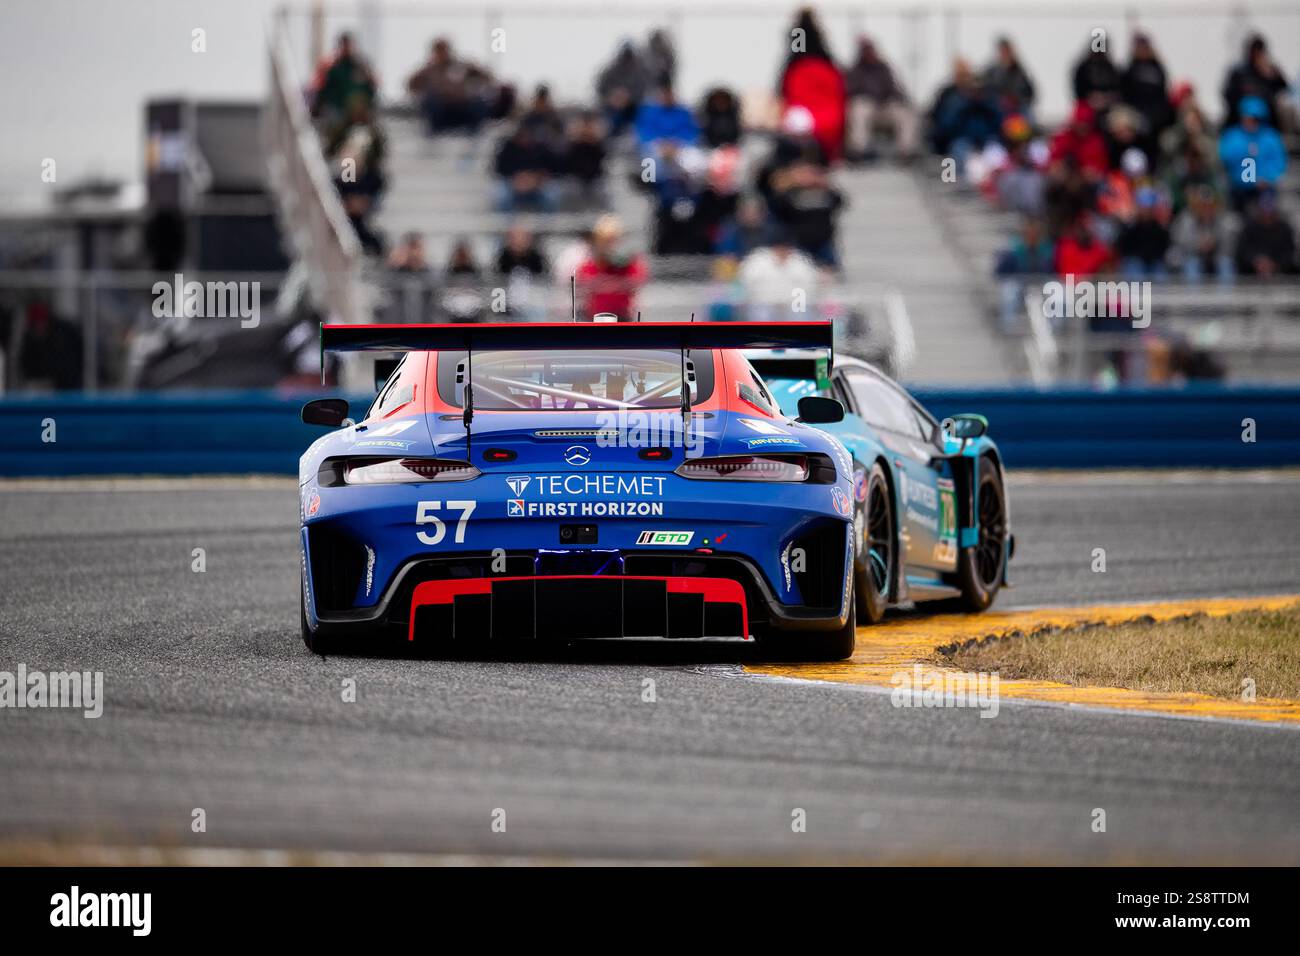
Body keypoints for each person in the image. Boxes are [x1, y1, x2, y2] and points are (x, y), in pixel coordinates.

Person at [778, 8, 846, 162]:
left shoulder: (798, 34)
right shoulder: (816, 34)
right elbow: (825, 52)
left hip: (805, 70)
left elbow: (794, 53)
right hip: (814, 70)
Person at [844, 37, 919, 161]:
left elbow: (895, 90)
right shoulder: (855, 71)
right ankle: (858, 149)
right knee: (859, 107)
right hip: (867, 108)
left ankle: (907, 151)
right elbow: (850, 91)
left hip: (884, 107)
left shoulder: (884, 69)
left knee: (906, 114)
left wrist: (898, 99)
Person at [406, 38, 493, 135]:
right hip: (442, 110)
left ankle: (476, 133)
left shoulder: (463, 66)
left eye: (444, 50)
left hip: (463, 106)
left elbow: (487, 77)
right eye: (438, 51)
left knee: (479, 103)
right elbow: (411, 85)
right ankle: (434, 134)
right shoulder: (428, 71)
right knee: (430, 101)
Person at [928, 59, 1002, 172]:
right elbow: (945, 126)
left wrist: (984, 104)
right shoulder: (952, 99)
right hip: (962, 141)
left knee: (996, 155)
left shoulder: (990, 100)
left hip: (987, 142)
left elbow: (999, 123)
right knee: (958, 153)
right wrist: (965, 106)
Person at [768, 159, 845, 267]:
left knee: (829, 268)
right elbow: (779, 209)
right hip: (799, 240)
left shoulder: (823, 192)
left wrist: (826, 185)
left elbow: (839, 202)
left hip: (823, 239)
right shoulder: (792, 194)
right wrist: (787, 186)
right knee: (803, 268)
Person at [1218, 96, 1288, 209]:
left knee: (1268, 203)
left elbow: (1279, 161)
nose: (1251, 122)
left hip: (1266, 188)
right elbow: (1227, 160)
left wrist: (1266, 178)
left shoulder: (1270, 137)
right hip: (1239, 188)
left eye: (1256, 119)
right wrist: (1249, 180)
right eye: (1248, 118)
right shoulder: (1232, 136)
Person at [575, 216, 648, 321]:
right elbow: (583, 281)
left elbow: (636, 281)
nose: (610, 245)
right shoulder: (591, 262)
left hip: (623, 317)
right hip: (595, 317)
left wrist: (606, 283)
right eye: (605, 241)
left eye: (613, 240)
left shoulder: (631, 261)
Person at [738, 229, 819, 320]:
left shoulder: (800, 260)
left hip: (792, 305)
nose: (782, 251)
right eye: (779, 248)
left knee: (801, 312)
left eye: (786, 248)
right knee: (761, 314)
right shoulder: (757, 259)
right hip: (764, 303)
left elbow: (810, 284)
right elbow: (746, 282)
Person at [994, 217, 1056, 330]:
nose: (1032, 235)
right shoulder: (1013, 249)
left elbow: (1052, 270)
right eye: (1029, 232)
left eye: (1036, 233)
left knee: (1057, 293)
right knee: (1009, 292)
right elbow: (1000, 272)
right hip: (1019, 284)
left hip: (1042, 284)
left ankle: (1055, 331)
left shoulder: (1048, 250)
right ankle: (1008, 328)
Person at [312, 33, 377, 134]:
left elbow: (371, 88)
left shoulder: (361, 67)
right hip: (338, 112)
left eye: (349, 45)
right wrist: (317, 108)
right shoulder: (334, 68)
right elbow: (324, 90)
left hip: (357, 115)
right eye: (344, 45)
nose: (347, 48)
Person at [1222, 34, 1291, 129]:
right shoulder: (1239, 72)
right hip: (1241, 115)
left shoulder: (1270, 70)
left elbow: (1284, 89)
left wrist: (1272, 76)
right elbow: (1228, 94)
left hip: (1267, 116)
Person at [1169, 186, 1236, 282]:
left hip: (1216, 257)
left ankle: (1226, 296)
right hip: (1193, 256)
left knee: (1225, 264)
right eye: (1203, 205)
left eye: (1209, 205)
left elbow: (1229, 247)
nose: (1206, 208)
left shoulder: (1224, 220)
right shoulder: (1186, 220)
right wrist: (1198, 245)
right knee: (1192, 265)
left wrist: (1215, 243)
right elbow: (1180, 244)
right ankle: (1193, 296)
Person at [493, 125, 560, 212]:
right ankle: (507, 224)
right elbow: (499, 169)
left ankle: (546, 224)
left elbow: (551, 169)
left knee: (551, 195)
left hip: (537, 183)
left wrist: (535, 179)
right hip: (512, 181)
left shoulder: (541, 148)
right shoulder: (508, 148)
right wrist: (517, 179)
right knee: (503, 196)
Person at [1121, 33, 1173, 142]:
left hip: (1157, 113)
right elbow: (1126, 93)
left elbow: (1163, 92)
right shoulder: (1131, 69)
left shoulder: (1157, 67)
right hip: (1137, 112)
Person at [1234, 192, 1297, 276]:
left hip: (1280, 272)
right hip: (1251, 272)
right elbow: (1242, 251)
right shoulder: (1249, 228)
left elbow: (1289, 253)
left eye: (1270, 211)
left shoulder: (1284, 228)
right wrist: (1257, 261)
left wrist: (1274, 265)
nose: (1267, 214)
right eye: (1264, 210)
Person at [596, 40, 649, 136]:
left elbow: (644, 89)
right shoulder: (610, 70)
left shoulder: (640, 71)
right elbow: (600, 87)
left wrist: (629, 98)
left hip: (633, 107)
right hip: (611, 107)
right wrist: (612, 97)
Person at [1116, 188, 1172, 278]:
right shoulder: (1131, 226)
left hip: (1154, 262)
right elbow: (1122, 246)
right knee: (1135, 272)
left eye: (1149, 208)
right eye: (1143, 208)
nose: (1146, 211)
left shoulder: (1159, 227)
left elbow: (1164, 246)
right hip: (1135, 261)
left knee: (1161, 276)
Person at [496, 226, 548, 319]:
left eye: (521, 237)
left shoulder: (536, 257)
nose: (518, 241)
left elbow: (543, 279)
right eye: (515, 237)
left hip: (532, 303)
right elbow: (497, 283)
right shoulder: (503, 258)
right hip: (509, 305)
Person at [1048, 102, 1109, 180]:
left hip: (1089, 183)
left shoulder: (1097, 141)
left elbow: (1101, 168)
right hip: (1065, 181)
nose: (1082, 126)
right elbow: (1053, 164)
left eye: (1086, 123)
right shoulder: (1064, 138)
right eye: (1080, 123)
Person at [634, 83, 699, 155]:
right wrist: (660, 143)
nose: (666, 98)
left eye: (669, 95)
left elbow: (690, 131)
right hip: (656, 147)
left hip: (679, 147)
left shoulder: (683, 113)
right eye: (663, 95)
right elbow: (644, 132)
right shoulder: (649, 113)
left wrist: (676, 142)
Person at [983, 36, 1036, 120]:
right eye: (1003, 51)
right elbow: (986, 90)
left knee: (1028, 117)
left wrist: (1016, 100)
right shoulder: (991, 71)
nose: (1005, 53)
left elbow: (1030, 93)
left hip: (1018, 109)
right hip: (998, 109)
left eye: (1007, 50)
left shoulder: (1020, 72)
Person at [1072, 42, 1121, 112]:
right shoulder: (1084, 67)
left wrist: (1107, 97)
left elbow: (1117, 88)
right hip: (1087, 104)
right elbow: (1079, 90)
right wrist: (1092, 98)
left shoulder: (1110, 67)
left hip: (1109, 105)